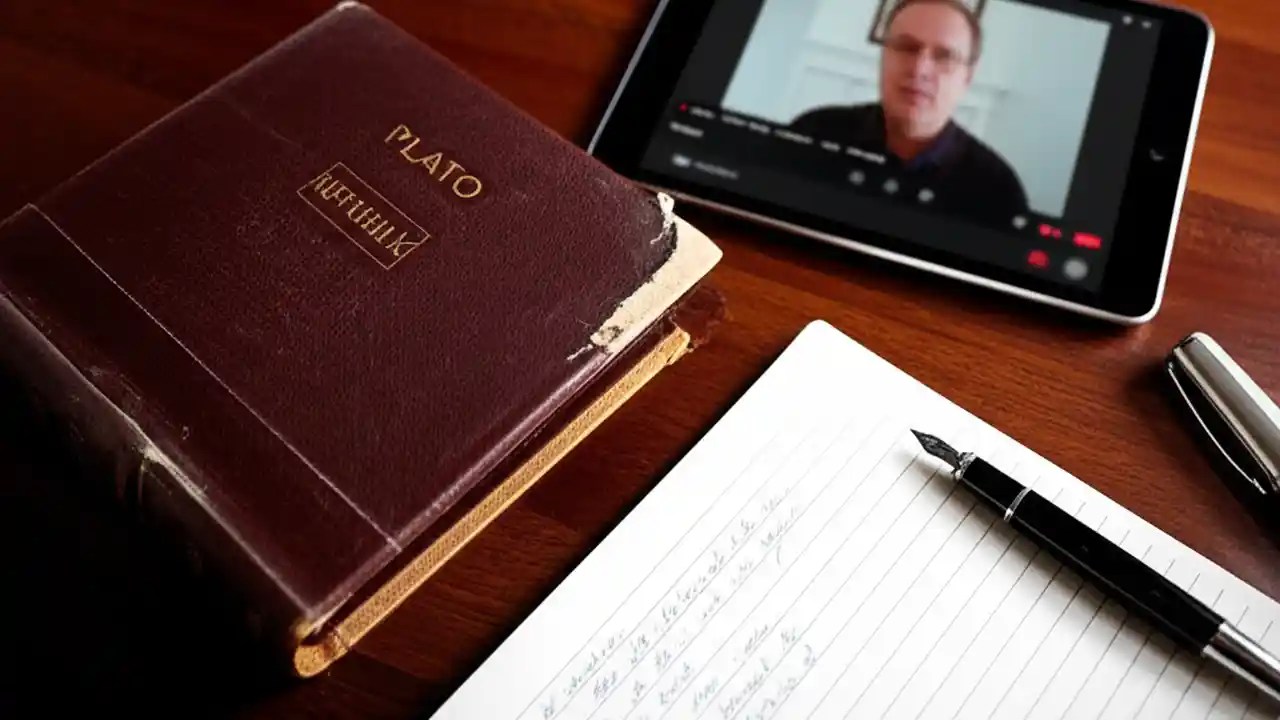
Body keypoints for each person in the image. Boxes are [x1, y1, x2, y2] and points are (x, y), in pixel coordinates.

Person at [791, 0, 1029, 224]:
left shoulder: (1000, 190)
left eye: (945, 56)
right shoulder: (813, 130)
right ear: (883, 57)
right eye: (906, 47)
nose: (919, 69)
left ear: (967, 76)